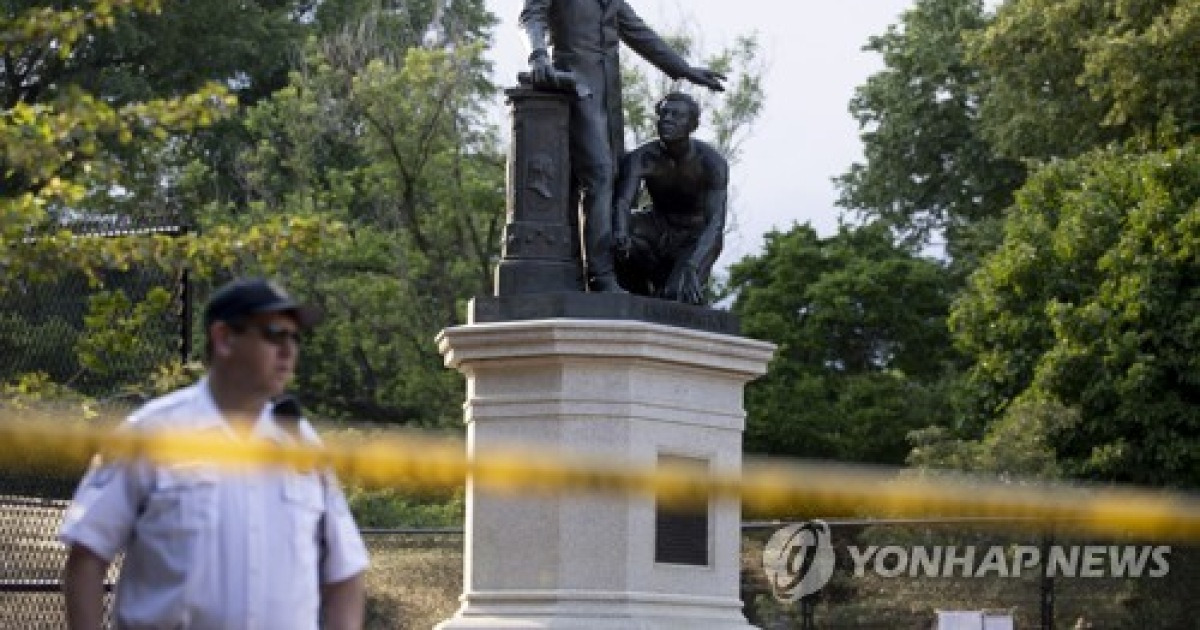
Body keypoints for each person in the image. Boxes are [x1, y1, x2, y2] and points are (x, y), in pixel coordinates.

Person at [60, 277, 369, 630]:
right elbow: (87, 557)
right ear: (223, 338)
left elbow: (345, 572)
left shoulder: (301, 445)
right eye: (273, 334)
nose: (288, 351)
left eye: (294, 337)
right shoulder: (152, 432)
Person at [519, 0, 726, 293]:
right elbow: (531, 15)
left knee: (612, 178)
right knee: (600, 174)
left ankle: (602, 273)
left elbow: (640, 34)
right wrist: (538, 55)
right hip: (574, 87)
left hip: (608, 96)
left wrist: (685, 70)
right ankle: (601, 277)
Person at [612, 92, 728, 305]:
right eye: (664, 114)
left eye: (677, 115)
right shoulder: (641, 157)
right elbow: (623, 203)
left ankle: (676, 283)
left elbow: (715, 224)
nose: (667, 119)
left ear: (692, 125)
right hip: (658, 227)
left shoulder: (712, 163)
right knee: (617, 231)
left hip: (694, 238)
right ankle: (637, 295)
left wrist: (695, 263)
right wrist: (620, 233)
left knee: (674, 296)